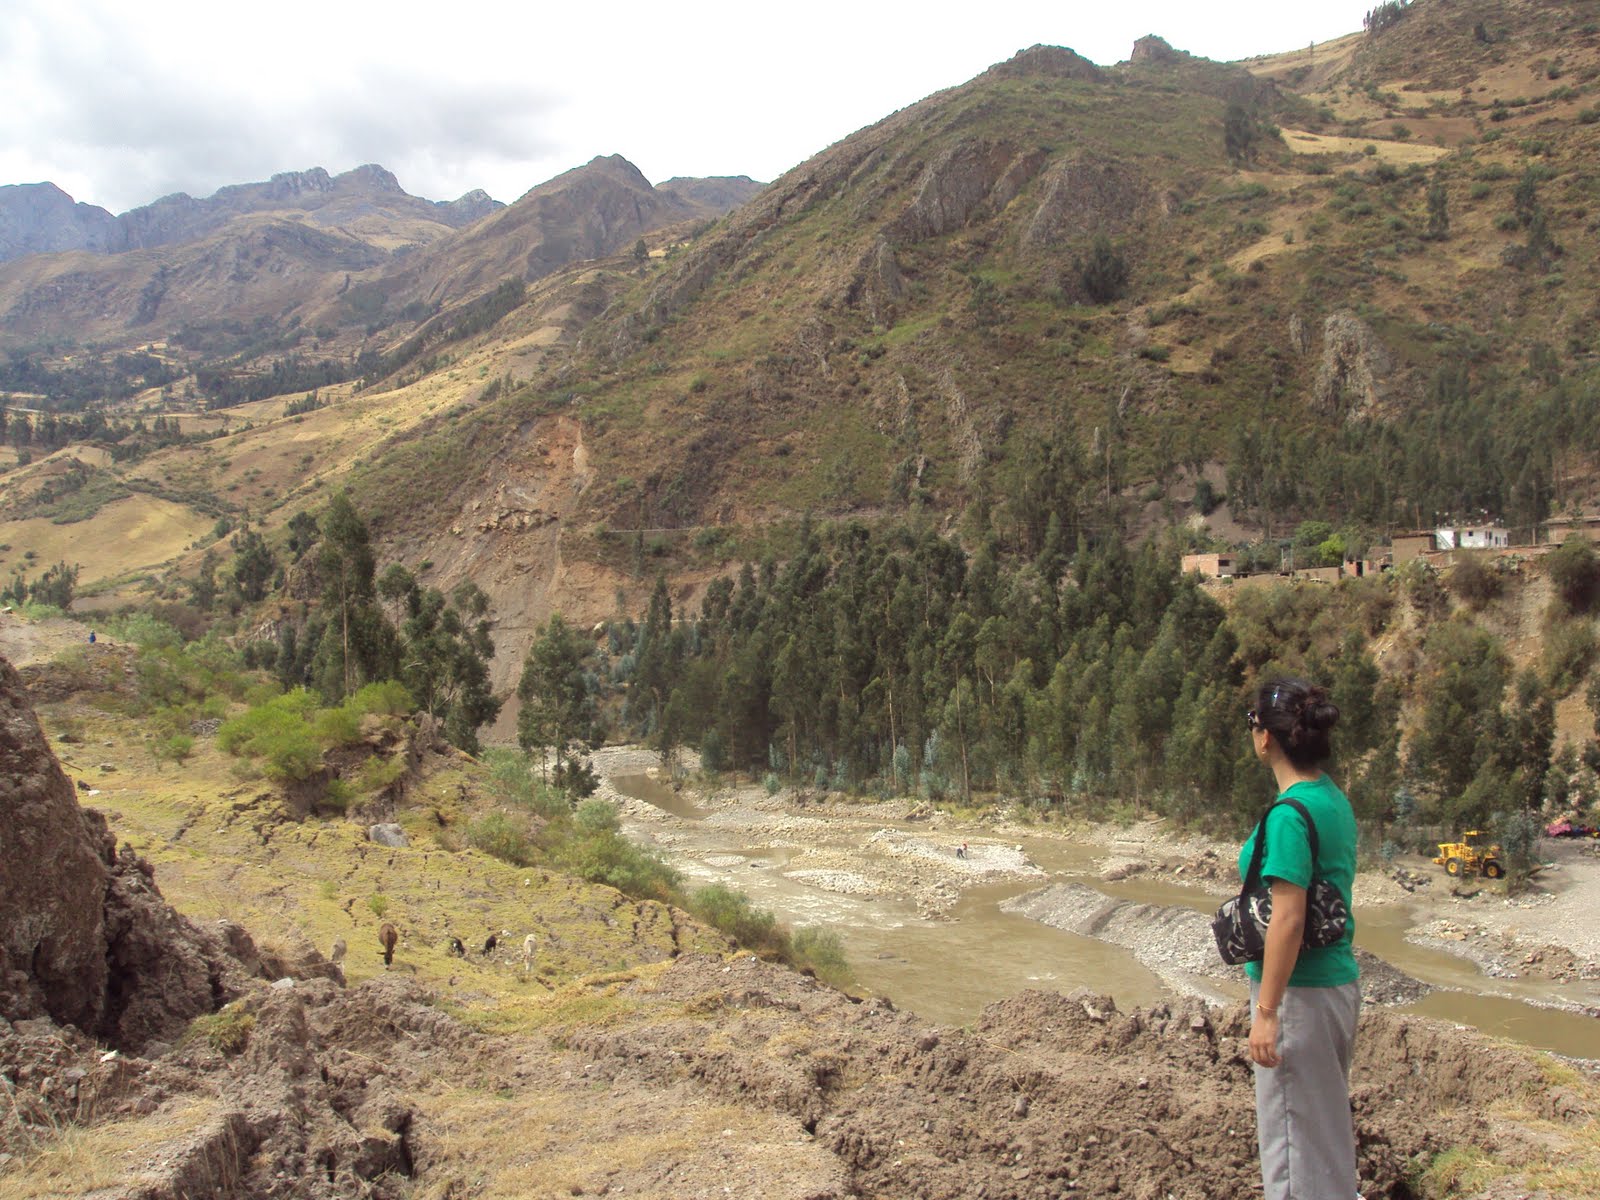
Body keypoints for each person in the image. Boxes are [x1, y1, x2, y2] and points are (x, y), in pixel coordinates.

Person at [1240, 678, 1361, 1200]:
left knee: (1291, 1144)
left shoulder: (1290, 815)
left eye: (1252, 724)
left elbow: (1288, 919)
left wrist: (1266, 1012)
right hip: (1334, 986)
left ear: (1267, 738)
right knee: (1322, 1132)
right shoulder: (1331, 798)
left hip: (1296, 997)